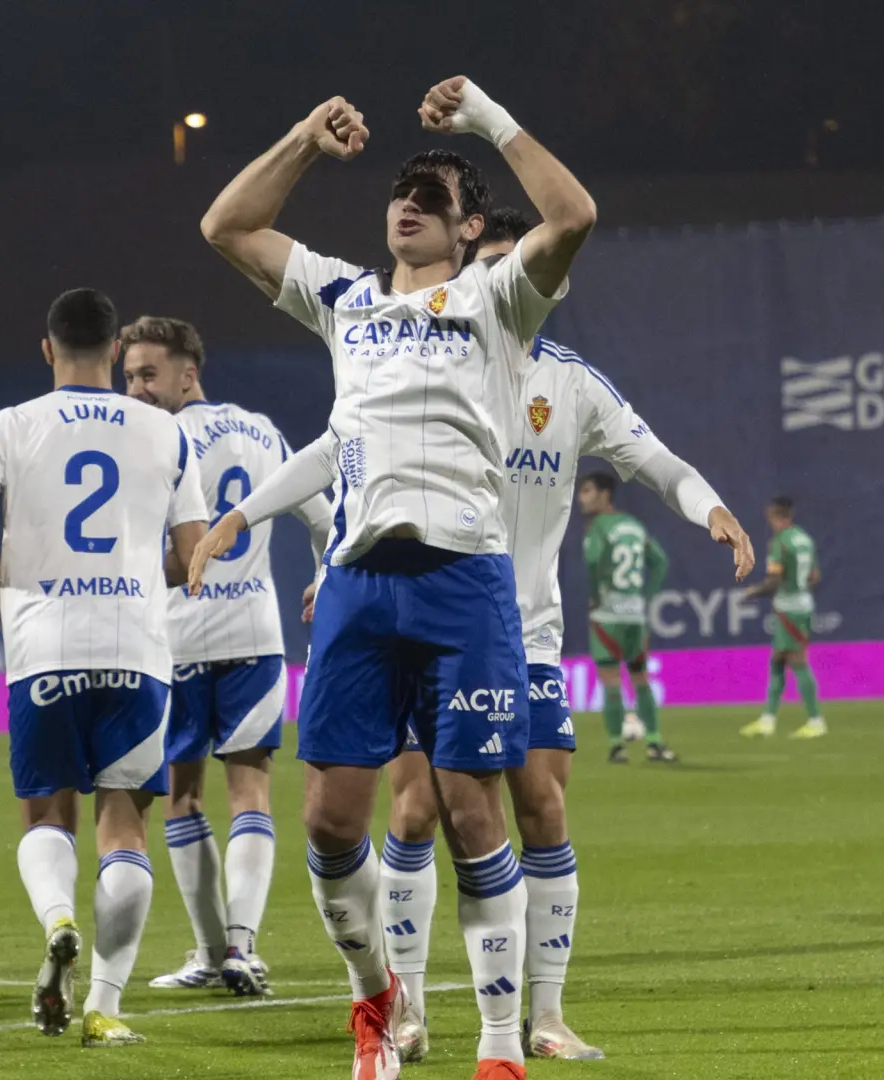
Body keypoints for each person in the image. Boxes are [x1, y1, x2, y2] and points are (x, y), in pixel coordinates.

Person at [234, 209, 755, 1061]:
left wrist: (712, 509)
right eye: (487, 266)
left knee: (540, 808)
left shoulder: (571, 387)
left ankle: (543, 1016)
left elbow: (655, 460)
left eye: (513, 267)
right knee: (413, 809)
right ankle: (405, 1008)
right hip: (425, 615)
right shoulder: (422, 359)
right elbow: (354, 458)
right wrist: (339, 565)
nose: (497, 283)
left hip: (528, 633)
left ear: (547, 283)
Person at [197, 75, 596, 1080]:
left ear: (469, 230)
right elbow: (227, 225)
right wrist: (303, 135)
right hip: (360, 587)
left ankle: (499, 1048)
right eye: (400, 192)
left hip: (467, 587)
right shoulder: (345, 298)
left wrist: (489, 120)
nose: (408, 204)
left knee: (472, 815)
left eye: (432, 196)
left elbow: (574, 215)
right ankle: (377, 997)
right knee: (330, 823)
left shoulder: (498, 300)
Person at [0, 289, 208, 1048]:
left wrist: (4, 583)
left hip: (44, 645)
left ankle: (59, 918)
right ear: (115, 350)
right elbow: (193, 552)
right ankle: (104, 1003)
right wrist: (138, 573)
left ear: (47, 348)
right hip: (135, 649)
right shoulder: (165, 430)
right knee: (125, 826)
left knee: (44, 815)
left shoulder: (8, 424)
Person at [118, 314, 332, 996]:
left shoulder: (156, 440)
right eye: (129, 376)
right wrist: (324, 577)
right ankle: (242, 947)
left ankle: (214, 953)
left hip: (176, 639)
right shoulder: (263, 431)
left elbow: (149, 550)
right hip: (256, 638)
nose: (137, 389)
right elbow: (326, 518)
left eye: (148, 375)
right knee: (251, 792)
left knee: (181, 797)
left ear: (188, 373)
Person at [577, 471, 673, 763]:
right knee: (641, 678)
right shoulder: (633, 524)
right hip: (634, 614)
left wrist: (595, 595)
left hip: (607, 615)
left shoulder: (597, 527)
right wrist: (646, 598)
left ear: (604, 494)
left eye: (587, 491)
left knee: (610, 680)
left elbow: (593, 561)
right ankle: (654, 742)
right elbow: (660, 562)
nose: (581, 498)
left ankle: (617, 746)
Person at [741, 497, 826, 738]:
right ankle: (768, 720)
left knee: (797, 661)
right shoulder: (804, 539)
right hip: (803, 603)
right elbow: (815, 576)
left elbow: (774, 582)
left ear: (773, 515)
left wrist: (751, 593)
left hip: (789, 608)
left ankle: (816, 721)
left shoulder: (780, 543)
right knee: (778, 660)